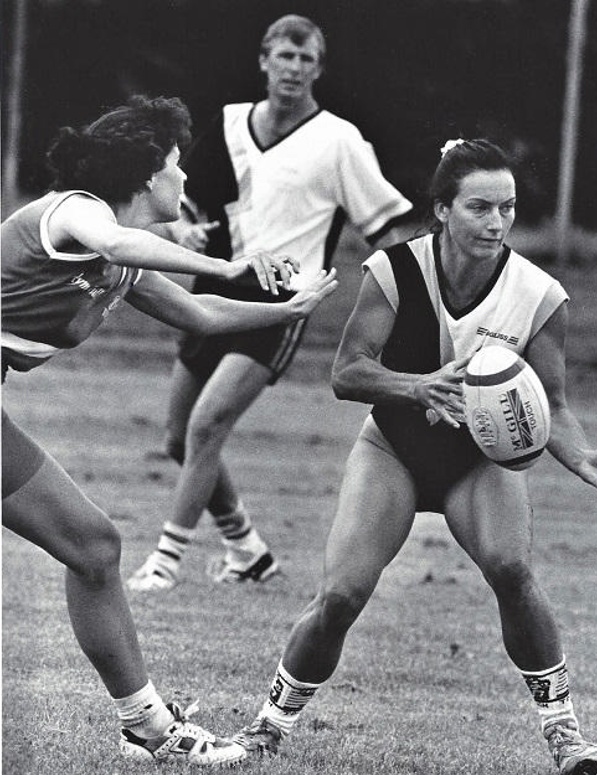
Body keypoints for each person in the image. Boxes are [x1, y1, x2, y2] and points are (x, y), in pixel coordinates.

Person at [211, 139, 597, 775]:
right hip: (392, 447)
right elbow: (347, 372)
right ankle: (268, 728)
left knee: (510, 568)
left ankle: (564, 734)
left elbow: (551, 406)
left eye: (505, 208)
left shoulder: (538, 296)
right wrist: (415, 387)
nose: (496, 222)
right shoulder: (393, 271)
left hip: (478, 462)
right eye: (479, 207)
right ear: (442, 209)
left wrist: (582, 461)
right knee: (341, 594)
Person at [1, 95, 337, 764]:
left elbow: (201, 316)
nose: (186, 180)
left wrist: (285, 308)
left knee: (93, 548)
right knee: (92, 546)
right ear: (148, 176)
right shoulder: (76, 211)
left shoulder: (122, 263)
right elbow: (119, 239)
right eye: (177, 166)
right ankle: (152, 729)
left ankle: (147, 728)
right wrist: (229, 263)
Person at [127, 14, 413, 592]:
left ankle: (164, 560)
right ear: (264, 60)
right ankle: (248, 551)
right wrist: (181, 230)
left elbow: (388, 232)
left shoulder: (339, 141)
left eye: (306, 60)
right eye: (285, 56)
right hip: (213, 293)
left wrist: (412, 305)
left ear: (318, 70)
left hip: (281, 302)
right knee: (180, 438)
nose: (294, 69)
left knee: (208, 424)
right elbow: (182, 194)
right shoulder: (232, 123)